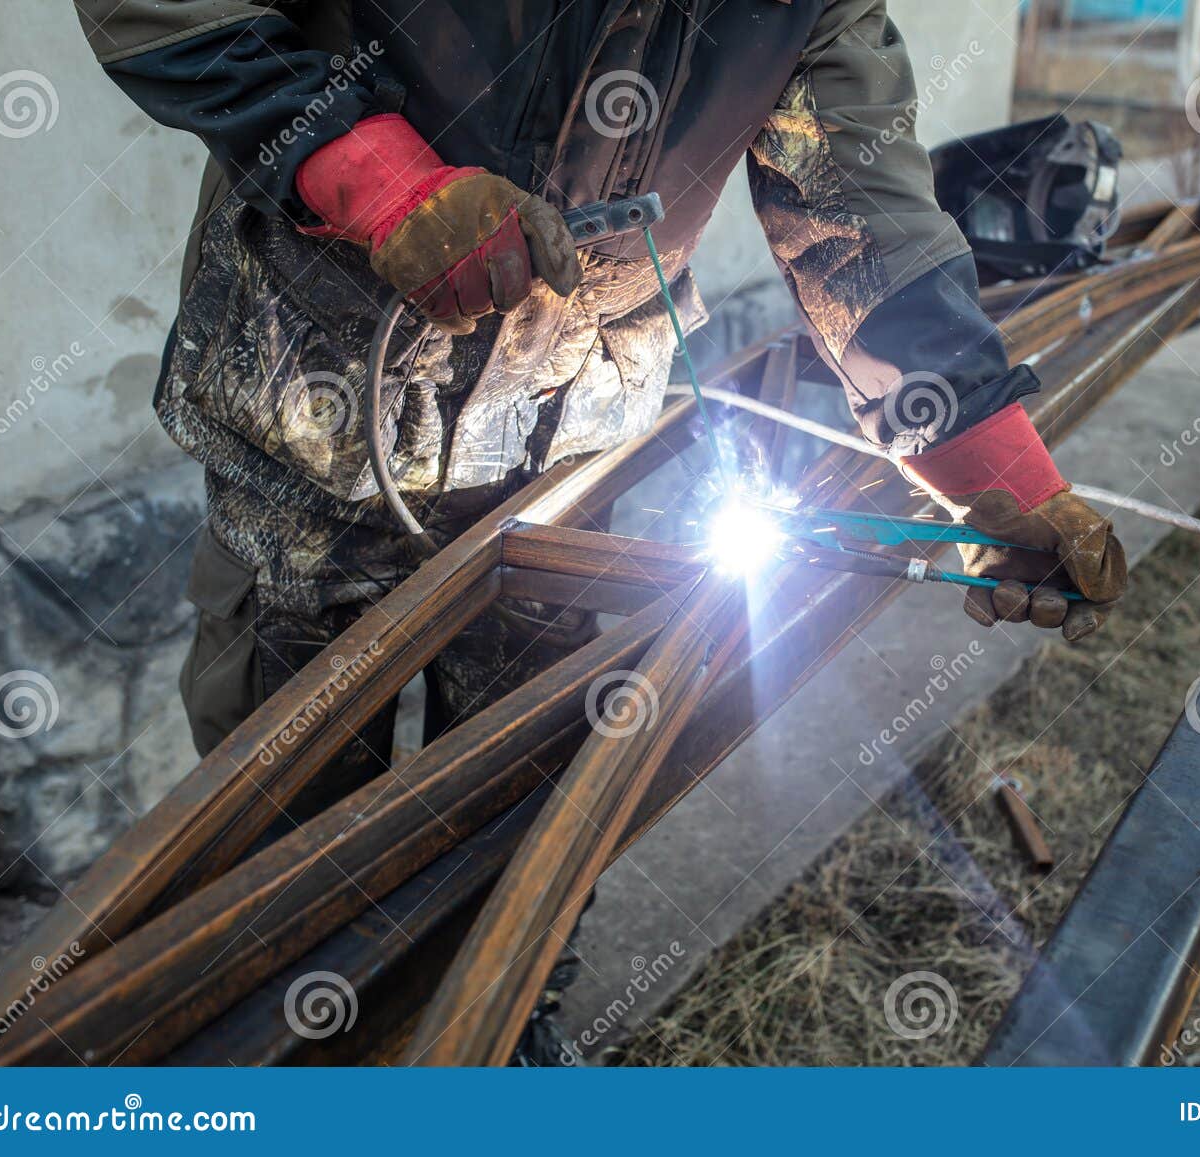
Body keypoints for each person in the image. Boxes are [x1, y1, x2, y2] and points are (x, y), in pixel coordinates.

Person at [76, 0, 1126, 1056]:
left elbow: (866, 229)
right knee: (279, 840)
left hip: (557, 450)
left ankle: (500, 1022)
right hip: (318, 412)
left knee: (526, 800)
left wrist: (997, 477)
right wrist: (373, 175)